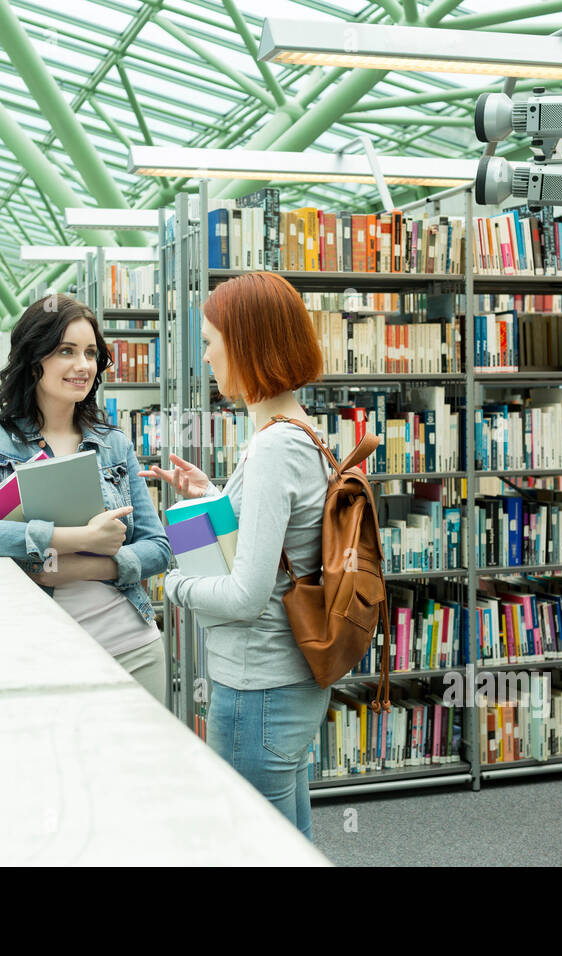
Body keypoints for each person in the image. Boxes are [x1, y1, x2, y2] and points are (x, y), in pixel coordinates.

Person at [141, 271, 334, 840]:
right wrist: (214, 498)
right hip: (287, 681)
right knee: (288, 840)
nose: (205, 358)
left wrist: (171, 584)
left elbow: (247, 596)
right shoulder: (301, 431)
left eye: (209, 342)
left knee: (252, 845)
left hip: (259, 688)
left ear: (245, 344)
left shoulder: (273, 447)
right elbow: (278, 543)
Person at [0, 294, 172, 705]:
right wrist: (78, 538)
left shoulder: (113, 443)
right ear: (35, 359)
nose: (83, 365)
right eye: (66, 351)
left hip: (133, 649)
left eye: (90, 353)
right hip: (40, 652)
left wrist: (80, 568)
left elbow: (159, 548)